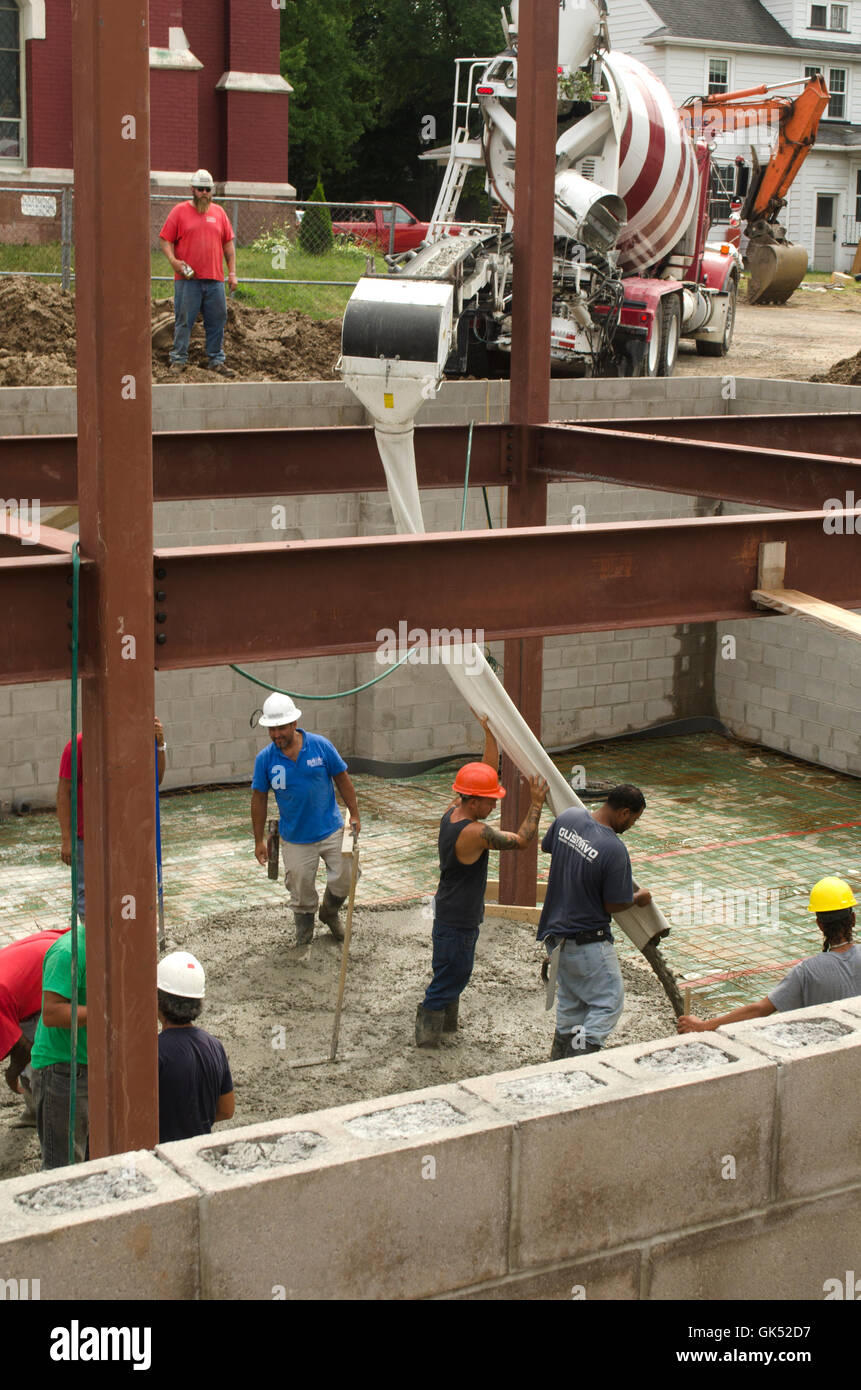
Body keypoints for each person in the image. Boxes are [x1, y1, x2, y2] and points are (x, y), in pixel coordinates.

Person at [416, 713, 548, 1047]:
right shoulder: (475, 832)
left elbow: (485, 771)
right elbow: (520, 841)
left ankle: (445, 1027)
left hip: (451, 911)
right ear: (473, 801)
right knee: (452, 975)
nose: (494, 804)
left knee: (450, 971)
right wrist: (536, 805)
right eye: (491, 800)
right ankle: (428, 1036)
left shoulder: (454, 810)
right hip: (457, 918)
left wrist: (489, 733)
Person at [537, 784, 652, 1060]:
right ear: (624, 812)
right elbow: (613, 904)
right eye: (633, 820)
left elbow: (547, 846)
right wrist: (637, 897)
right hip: (587, 942)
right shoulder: (613, 849)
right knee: (607, 1003)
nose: (631, 826)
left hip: (556, 938)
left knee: (572, 1004)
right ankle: (578, 1063)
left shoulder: (569, 817)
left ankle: (558, 1064)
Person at [678, 876, 861, 1032]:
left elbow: (759, 1010)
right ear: (852, 920)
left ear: (819, 924)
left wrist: (704, 1025)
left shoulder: (806, 971)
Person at [251, 693, 361, 947]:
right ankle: (304, 933)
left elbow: (342, 778)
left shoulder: (320, 746)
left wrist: (354, 813)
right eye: (271, 729)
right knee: (299, 888)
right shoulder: (265, 760)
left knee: (347, 874)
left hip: (331, 829)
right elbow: (259, 799)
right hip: (296, 837)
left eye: (280, 728)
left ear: (293, 724)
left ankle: (330, 912)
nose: (276, 734)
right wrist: (258, 840)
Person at [58, 718, 166, 922]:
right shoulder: (79, 745)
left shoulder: (134, 743)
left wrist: (160, 745)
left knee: (126, 891)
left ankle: (124, 940)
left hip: (124, 838)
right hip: (87, 838)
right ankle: (90, 942)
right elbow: (64, 791)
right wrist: (66, 838)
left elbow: (156, 779)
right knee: (88, 896)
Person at [158, 169, 239, 377]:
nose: (204, 193)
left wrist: (232, 274)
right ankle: (178, 359)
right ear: (192, 189)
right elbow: (165, 239)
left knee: (217, 320)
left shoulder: (219, 213)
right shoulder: (179, 212)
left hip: (214, 280)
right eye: (200, 189)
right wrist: (174, 261)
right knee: (184, 320)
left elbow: (228, 246)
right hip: (188, 281)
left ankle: (215, 359)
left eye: (207, 190)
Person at [157, 951, 235, 1144]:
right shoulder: (215, 1046)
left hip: (164, 1154)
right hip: (200, 1151)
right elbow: (226, 1110)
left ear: (159, 1000)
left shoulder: (154, 1052)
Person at [29, 926, 88, 1169]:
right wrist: (107, 1010)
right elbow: (52, 1012)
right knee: (62, 1168)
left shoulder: (112, 945)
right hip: (62, 1070)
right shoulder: (68, 952)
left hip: (86, 1065)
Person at [0, 928, 69, 1124]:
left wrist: (11, 1073)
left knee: (43, 1059)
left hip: (52, 964)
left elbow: (24, 1049)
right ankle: (35, 1110)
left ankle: (46, 1113)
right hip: (44, 953)